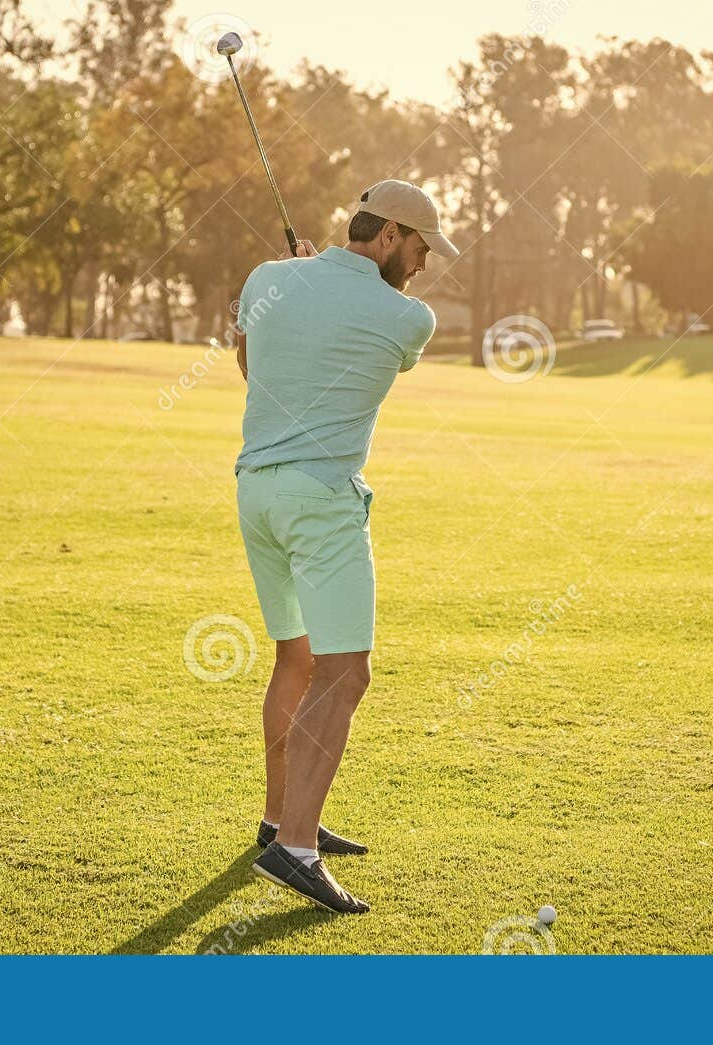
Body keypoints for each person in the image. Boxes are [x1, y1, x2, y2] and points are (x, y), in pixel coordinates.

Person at [232, 180, 458, 913]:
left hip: (256, 491)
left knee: (295, 658)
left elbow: (252, 365)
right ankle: (296, 850)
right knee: (347, 672)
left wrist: (298, 279)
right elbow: (360, 345)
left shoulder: (268, 278)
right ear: (389, 234)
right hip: (322, 501)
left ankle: (279, 820)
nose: (423, 265)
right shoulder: (408, 318)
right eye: (420, 247)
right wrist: (318, 286)